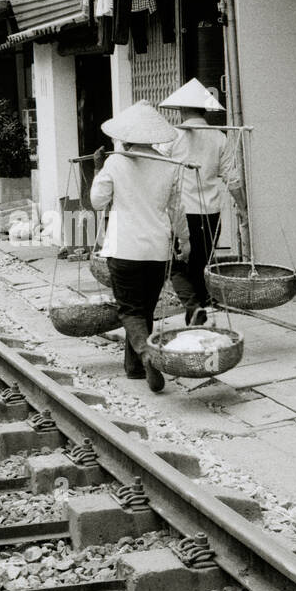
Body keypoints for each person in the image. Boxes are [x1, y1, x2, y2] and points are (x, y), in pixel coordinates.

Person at [90, 101, 189, 394]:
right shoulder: (167, 165)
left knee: (130, 310)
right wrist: (185, 240)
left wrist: (97, 168)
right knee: (144, 308)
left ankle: (147, 356)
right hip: (157, 250)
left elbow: (97, 201)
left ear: (125, 137)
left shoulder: (115, 162)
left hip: (124, 249)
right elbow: (177, 209)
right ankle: (134, 368)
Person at [158, 79, 247, 327]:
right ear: (204, 109)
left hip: (181, 212)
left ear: (182, 110)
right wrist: (242, 208)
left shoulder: (171, 136)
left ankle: (195, 307)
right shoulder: (219, 137)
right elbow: (232, 176)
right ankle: (200, 308)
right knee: (201, 262)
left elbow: (160, 171)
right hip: (210, 211)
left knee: (178, 263)